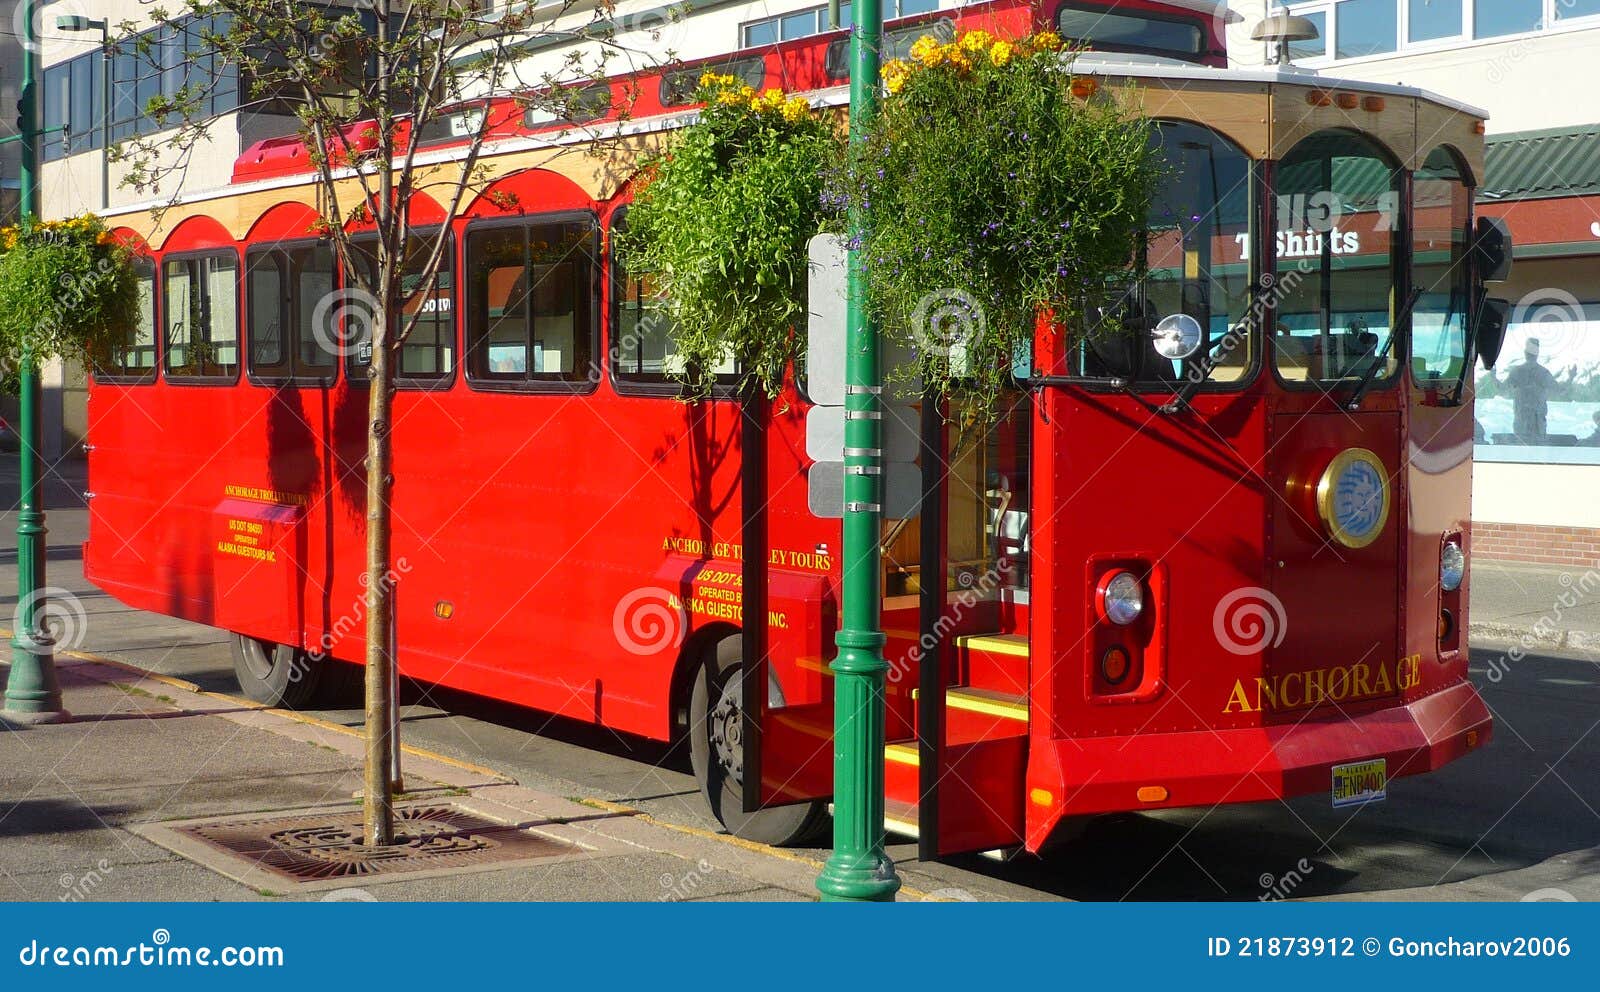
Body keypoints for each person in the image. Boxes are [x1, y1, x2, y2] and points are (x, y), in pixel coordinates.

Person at [1503, 338, 1559, 442]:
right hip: (1536, 426)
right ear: (1537, 353)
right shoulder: (1543, 373)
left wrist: (1492, 376)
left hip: (1525, 424)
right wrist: (1571, 378)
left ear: (1525, 353)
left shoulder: (1517, 371)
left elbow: (1502, 390)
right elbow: (1559, 390)